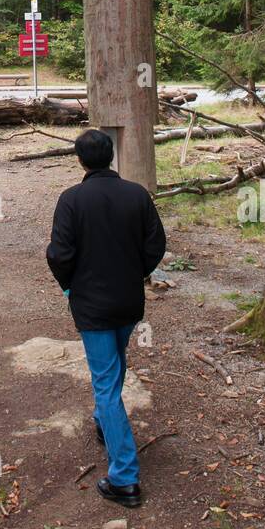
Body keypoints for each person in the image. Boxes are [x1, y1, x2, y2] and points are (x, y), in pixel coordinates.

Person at [46, 129, 166, 508]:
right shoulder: (137, 194)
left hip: (92, 306)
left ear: (80, 159)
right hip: (129, 302)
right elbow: (156, 244)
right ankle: (104, 422)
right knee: (114, 366)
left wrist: (69, 286)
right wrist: (137, 273)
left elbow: (58, 253)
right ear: (110, 155)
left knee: (106, 385)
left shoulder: (71, 199)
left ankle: (125, 477)